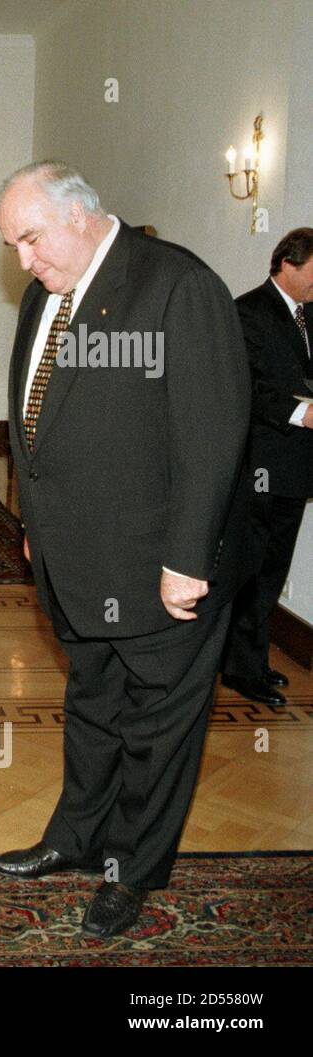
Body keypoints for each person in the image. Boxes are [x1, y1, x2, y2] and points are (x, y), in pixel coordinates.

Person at [0, 162, 250, 938]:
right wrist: (36, 520)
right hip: (77, 562)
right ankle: (76, 838)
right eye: (12, 246)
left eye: (30, 239)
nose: (23, 262)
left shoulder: (176, 286)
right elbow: (38, 424)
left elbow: (212, 437)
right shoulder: (46, 293)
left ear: (79, 214)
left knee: (158, 728)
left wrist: (187, 559)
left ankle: (132, 870)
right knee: (93, 706)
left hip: (161, 566)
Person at [220, 228, 313, 705]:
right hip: (263, 466)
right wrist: (302, 412)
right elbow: (247, 387)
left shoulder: (308, 314)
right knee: (253, 570)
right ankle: (240, 668)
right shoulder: (248, 311)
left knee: (273, 569)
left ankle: (249, 660)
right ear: (288, 264)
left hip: (297, 467)